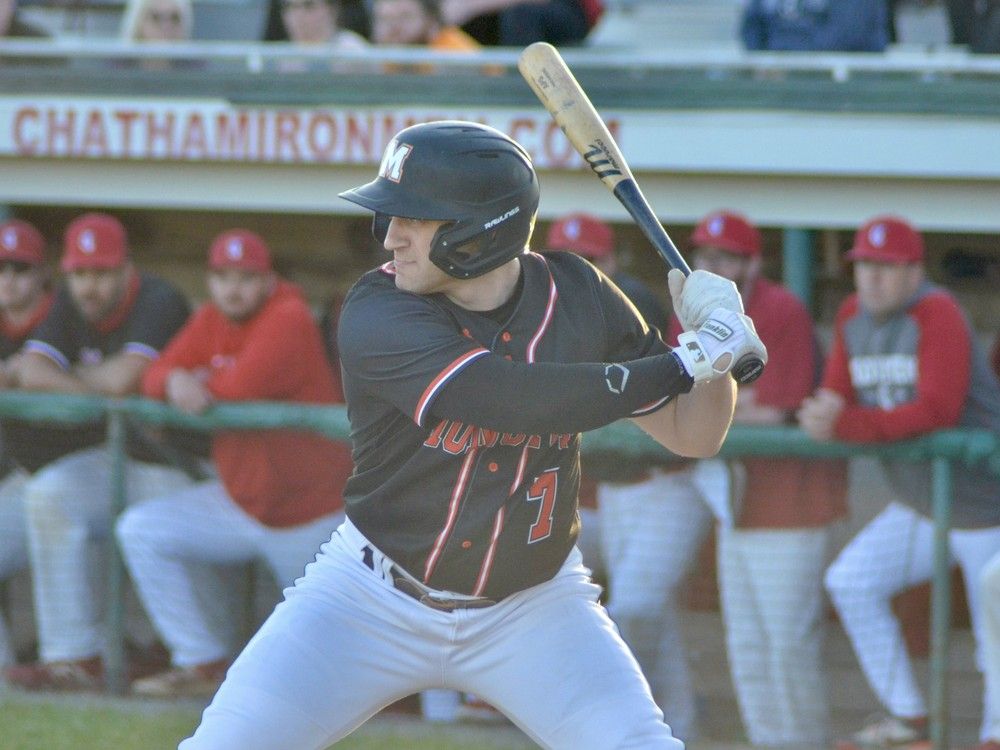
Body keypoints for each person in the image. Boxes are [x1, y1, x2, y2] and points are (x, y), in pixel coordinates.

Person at [178, 119, 766, 749]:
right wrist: (688, 361)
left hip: (533, 607)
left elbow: (693, 434)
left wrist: (717, 345)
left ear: (477, 233)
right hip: (368, 596)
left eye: (413, 219)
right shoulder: (379, 309)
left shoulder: (580, 297)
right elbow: (506, 399)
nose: (391, 236)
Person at [113, 229, 351, 697]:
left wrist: (196, 377)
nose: (233, 288)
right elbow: (154, 374)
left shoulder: (289, 315)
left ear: (268, 280)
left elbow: (237, 388)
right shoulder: (210, 319)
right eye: (223, 277)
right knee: (142, 529)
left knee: (336, 666)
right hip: (241, 501)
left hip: (310, 514)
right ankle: (200, 663)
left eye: (246, 277)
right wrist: (176, 377)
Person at [798, 215, 1000, 749]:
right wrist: (824, 413)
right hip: (923, 502)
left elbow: (936, 408)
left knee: (992, 628)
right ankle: (910, 722)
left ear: (915, 271)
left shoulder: (938, 312)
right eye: (864, 265)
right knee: (851, 581)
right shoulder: (850, 315)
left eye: (886, 267)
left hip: (985, 503)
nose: (872, 279)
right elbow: (837, 392)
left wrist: (843, 424)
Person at [670, 210, 847, 747]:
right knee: (745, 645)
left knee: (788, 647)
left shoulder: (779, 308)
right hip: (736, 504)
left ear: (752, 261)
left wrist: (711, 405)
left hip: (789, 503)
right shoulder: (695, 311)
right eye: (706, 256)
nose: (714, 265)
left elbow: (777, 408)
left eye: (726, 256)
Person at [2, 212, 199, 692]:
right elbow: (31, 372)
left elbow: (123, 379)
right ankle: (72, 658)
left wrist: (74, 383)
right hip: (114, 461)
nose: (90, 287)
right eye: (81, 273)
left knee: (192, 578)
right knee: (50, 496)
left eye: (102, 273)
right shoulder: (68, 305)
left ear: (126, 268)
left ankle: (192, 660)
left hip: (178, 468)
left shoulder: (158, 299)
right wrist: (98, 389)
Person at [544, 212, 710, 742]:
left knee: (635, 608)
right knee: (650, 617)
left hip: (669, 482)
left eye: (590, 261)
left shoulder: (637, 301)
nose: (578, 273)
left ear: (611, 262)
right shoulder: (547, 309)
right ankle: (678, 727)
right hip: (617, 490)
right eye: (565, 262)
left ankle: (618, 731)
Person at [0, 219, 53, 668]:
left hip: (84, 465)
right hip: (22, 477)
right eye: (2, 269)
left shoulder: (63, 316)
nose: (9, 280)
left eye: (20, 269)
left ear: (40, 275)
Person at [741, 0, 890, 52]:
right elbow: (751, 28)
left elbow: (843, 38)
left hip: (846, 96)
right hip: (775, 88)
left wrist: (781, 59)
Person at [440, 0, 601, 46]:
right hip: (493, 21)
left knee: (520, 16)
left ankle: (521, 89)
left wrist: (469, 5)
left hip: (564, 12)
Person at [372, 0, 480, 49]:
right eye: (385, 19)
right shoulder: (371, 59)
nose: (394, 28)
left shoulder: (455, 54)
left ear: (432, 21)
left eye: (405, 17)